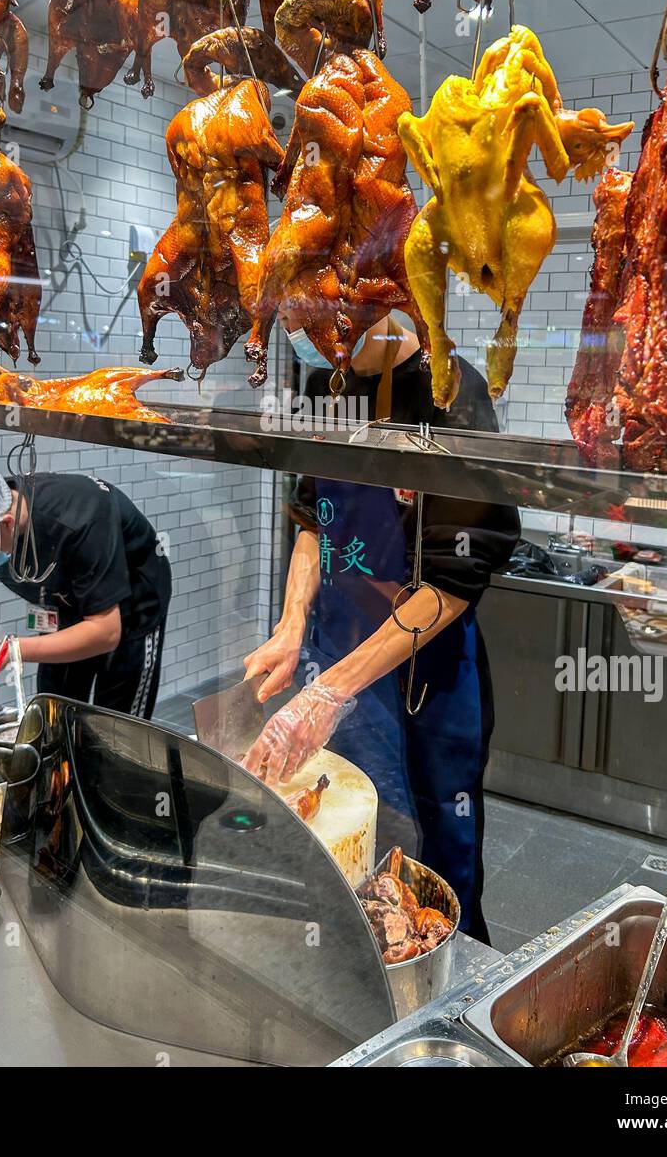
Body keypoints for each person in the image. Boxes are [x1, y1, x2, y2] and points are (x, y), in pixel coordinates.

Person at [242, 313, 519, 942]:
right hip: (336, 644)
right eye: (307, 327)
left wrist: (327, 691)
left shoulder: (454, 393)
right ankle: (355, 962)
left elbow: (454, 580)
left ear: (389, 306)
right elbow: (315, 517)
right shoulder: (327, 387)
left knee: (438, 849)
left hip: (430, 670)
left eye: (336, 328)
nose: (321, 345)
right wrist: (291, 626)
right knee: (348, 828)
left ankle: (447, 984)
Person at [0, 467, 170, 718]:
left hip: (129, 609)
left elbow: (106, 631)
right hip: (62, 603)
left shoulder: (79, 518)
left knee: (116, 725)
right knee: (53, 708)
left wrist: (12, 650)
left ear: (6, 525)